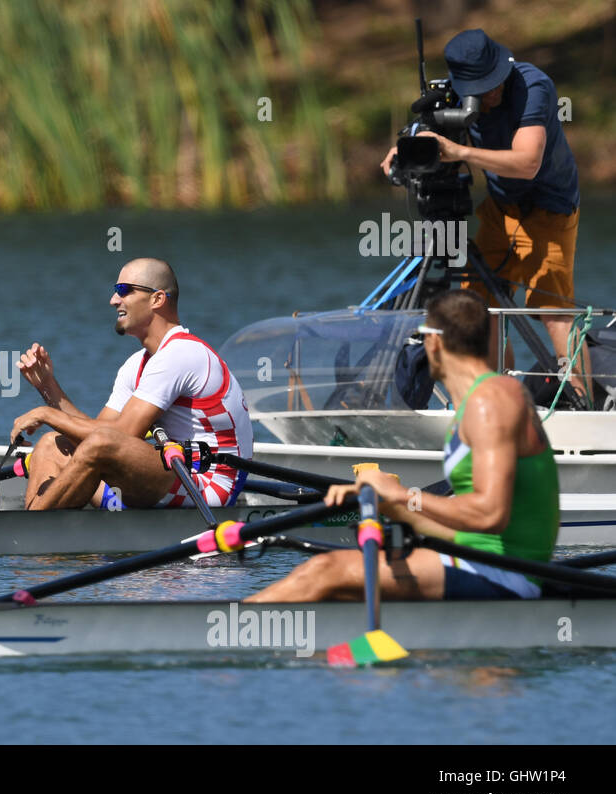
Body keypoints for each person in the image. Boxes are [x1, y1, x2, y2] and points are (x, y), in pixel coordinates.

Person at [248, 290, 559, 602]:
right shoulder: (483, 400)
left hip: (505, 573)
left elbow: (490, 515)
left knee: (323, 570)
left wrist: (402, 494)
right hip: (484, 560)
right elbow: (469, 531)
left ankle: (223, 636)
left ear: (434, 343)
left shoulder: (490, 402)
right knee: (332, 583)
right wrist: (393, 507)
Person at [381, 29, 587, 404]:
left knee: (553, 309)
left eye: (494, 83)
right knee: (477, 304)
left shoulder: (533, 86)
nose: (490, 93)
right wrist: (406, 148)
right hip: (501, 210)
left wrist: (459, 151)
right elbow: (426, 125)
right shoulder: (455, 92)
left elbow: (527, 162)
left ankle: (582, 400)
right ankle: (497, 392)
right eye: (480, 87)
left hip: (550, 208)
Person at [10, 258, 253, 511]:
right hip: (172, 476)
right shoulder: (136, 364)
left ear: (157, 299)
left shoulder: (182, 353)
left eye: (124, 290)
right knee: (52, 443)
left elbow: (117, 437)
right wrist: (48, 387)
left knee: (100, 442)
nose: (113, 300)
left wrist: (46, 413)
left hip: (207, 487)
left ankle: (26, 535)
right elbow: (93, 432)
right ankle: (36, 537)